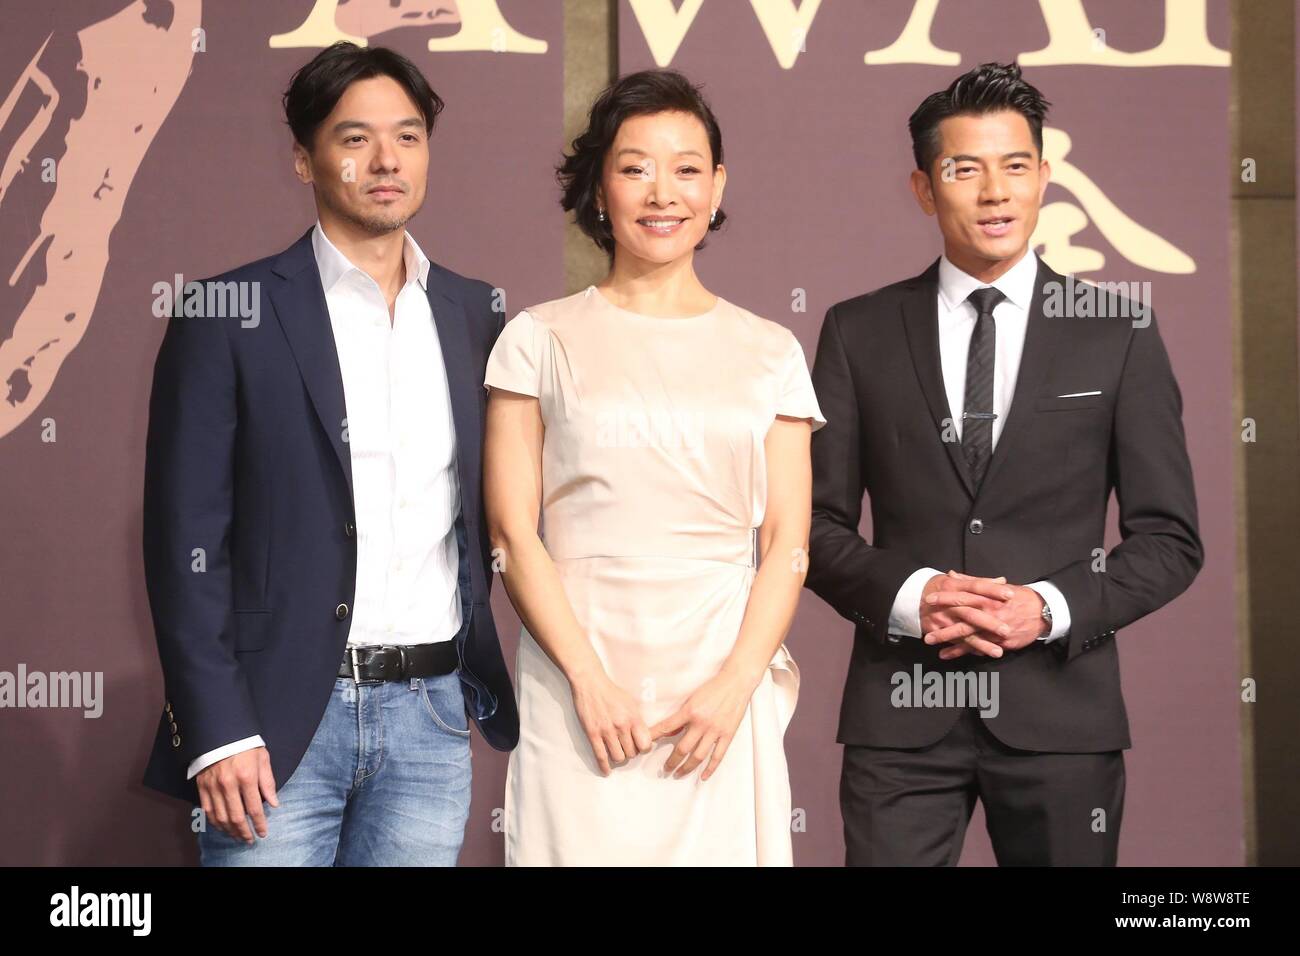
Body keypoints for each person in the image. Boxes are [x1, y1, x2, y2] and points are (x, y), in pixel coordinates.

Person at [805, 62, 1202, 866]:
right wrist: (915, 595)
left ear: (1044, 178)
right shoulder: (859, 331)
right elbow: (810, 523)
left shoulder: (1115, 332)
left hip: (1062, 715)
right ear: (923, 187)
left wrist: (1046, 608)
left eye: (1015, 166)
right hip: (900, 716)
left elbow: (1170, 541)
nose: (995, 192)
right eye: (965, 169)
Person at [140, 42, 517, 865]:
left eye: (409, 136)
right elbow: (183, 545)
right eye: (355, 139)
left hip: (431, 718)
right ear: (304, 161)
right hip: (273, 729)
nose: (387, 160)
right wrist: (216, 730)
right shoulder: (225, 314)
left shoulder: (477, 316)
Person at [483, 69, 825, 865]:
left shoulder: (771, 351)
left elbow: (788, 547)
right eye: (635, 167)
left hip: (720, 677)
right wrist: (587, 679)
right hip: (579, 676)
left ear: (716, 188)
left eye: (687, 168)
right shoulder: (537, 338)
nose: (662, 192)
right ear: (600, 189)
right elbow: (512, 533)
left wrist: (737, 683)